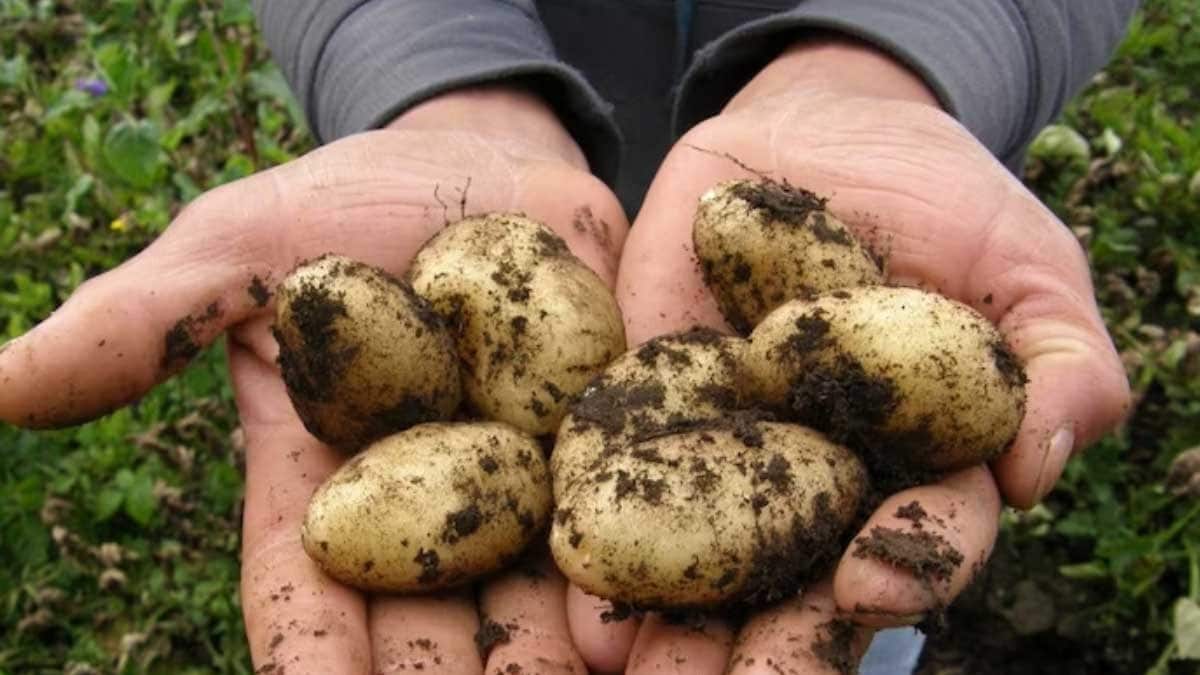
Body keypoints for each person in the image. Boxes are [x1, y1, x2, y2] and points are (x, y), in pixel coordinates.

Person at [0, 1, 1137, 672]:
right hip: (510, 176)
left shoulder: (783, 360)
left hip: (859, 358)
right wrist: (438, 79)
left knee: (855, 608)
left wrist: (897, 60)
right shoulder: (547, 396)